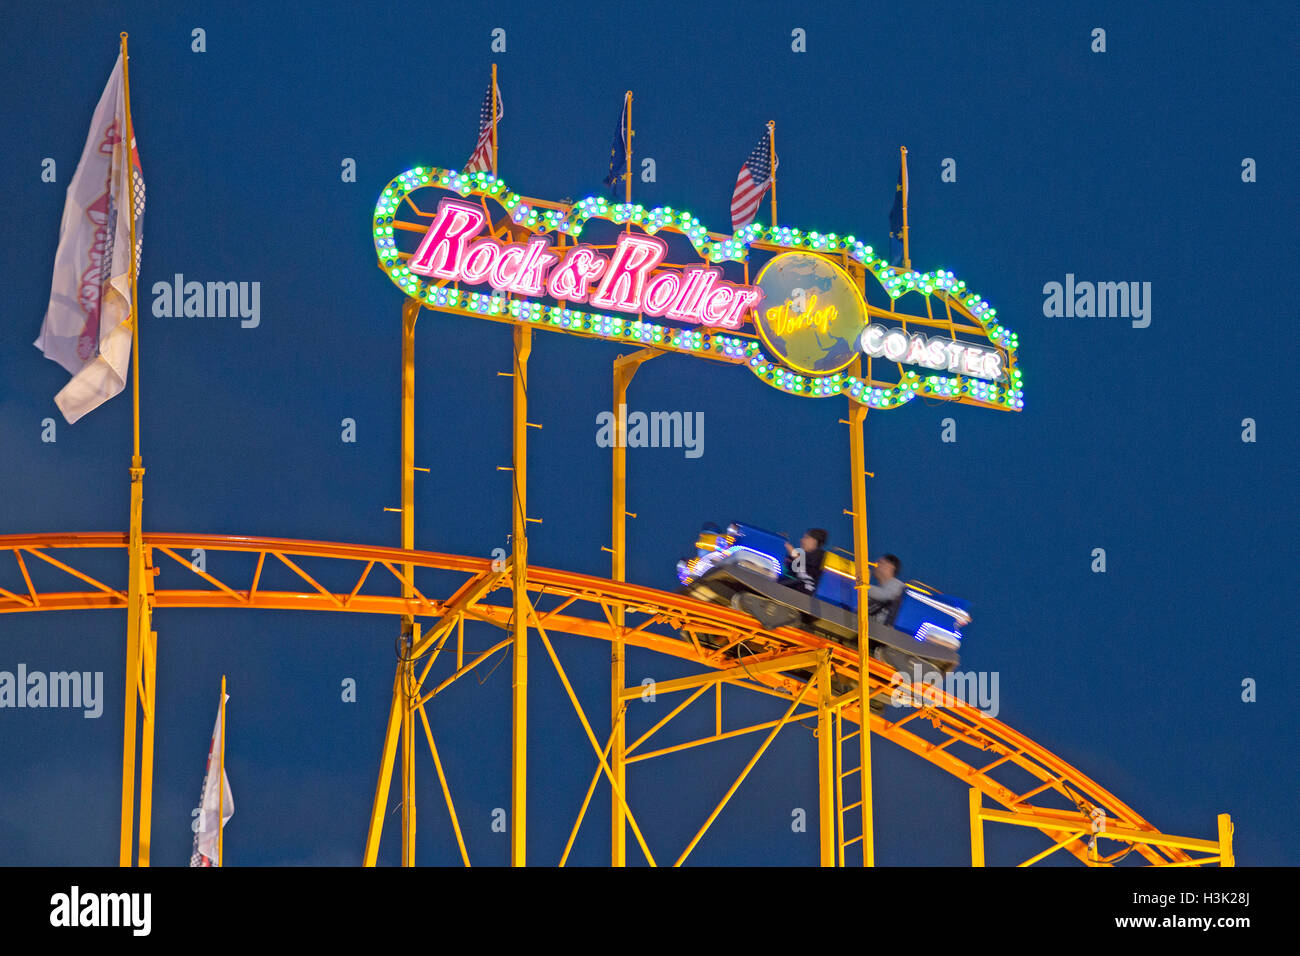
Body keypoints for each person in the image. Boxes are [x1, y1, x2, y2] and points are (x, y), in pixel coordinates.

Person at [783, 528, 827, 594]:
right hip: (789, 589)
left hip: (804, 595)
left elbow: (801, 562)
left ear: (814, 541)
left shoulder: (820, 556)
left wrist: (788, 547)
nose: (801, 540)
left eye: (806, 537)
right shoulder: (802, 555)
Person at [866, 553, 905, 623]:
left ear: (891, 566)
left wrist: (861, 586)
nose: (876, 565)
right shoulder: (878, 591)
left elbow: (884, 595)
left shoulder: (897, 585)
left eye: (880, 563)